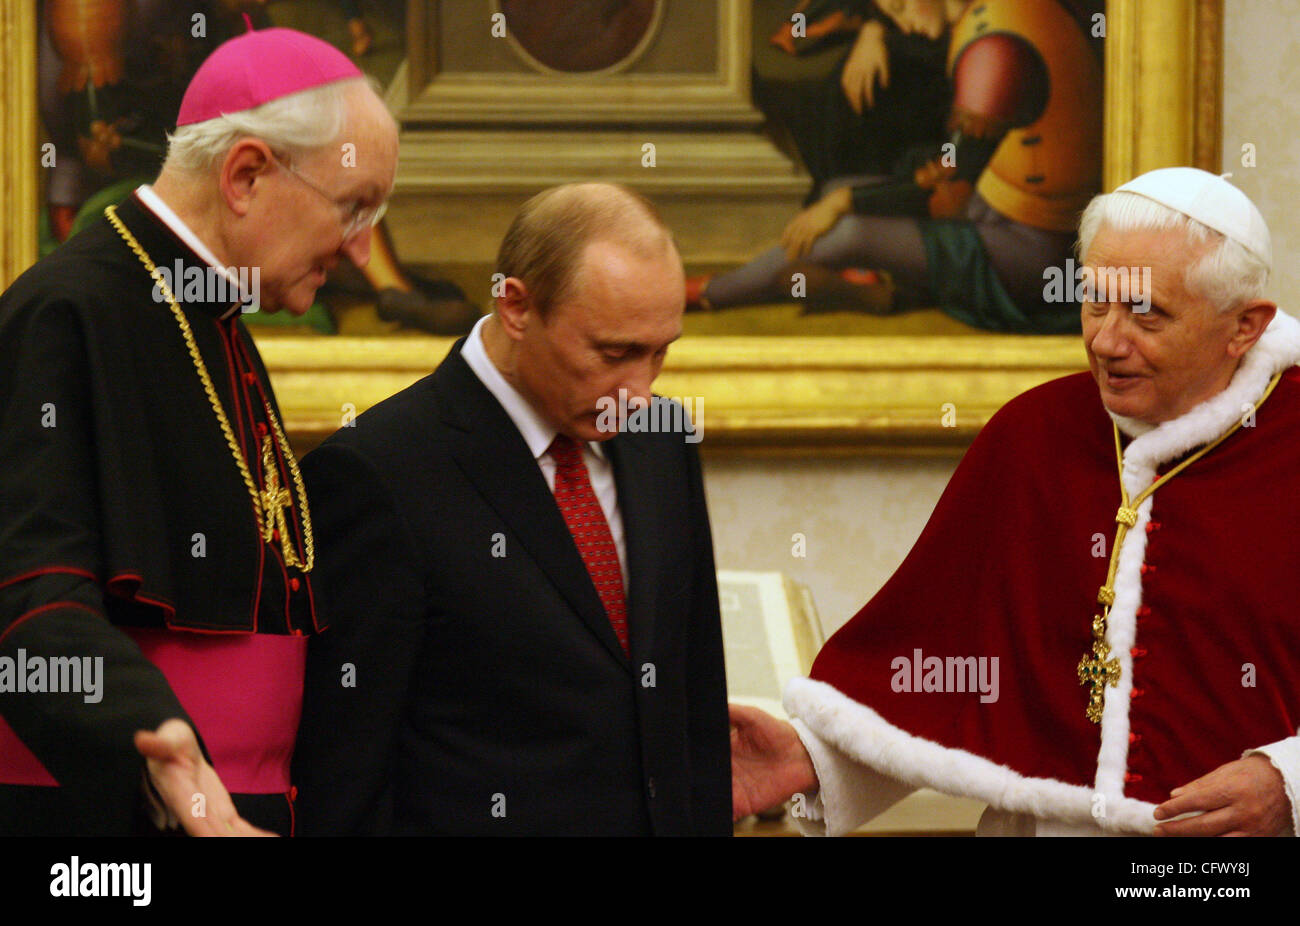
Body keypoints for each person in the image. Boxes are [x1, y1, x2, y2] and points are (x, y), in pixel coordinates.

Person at [731, 167, 1300, 837]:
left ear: (1243, 327)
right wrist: (811, 755)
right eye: (1094, 302)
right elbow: (948, 668)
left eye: (1146, 313)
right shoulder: (1032, 434)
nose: (1106, 342)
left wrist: (1288, 783)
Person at [0, 26, 398, 835]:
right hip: (106, 820)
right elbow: (31, 605)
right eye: (353, 207)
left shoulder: (214, 317)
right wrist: (155, 749)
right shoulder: (65, 311)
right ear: (247, 173)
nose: (363, 248)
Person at [292, 183, 732, 835]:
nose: (640, 391)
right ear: (518, 306)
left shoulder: (662, 439)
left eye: (660, 351)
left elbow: (694, 702)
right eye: (614, 353)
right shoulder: (377, 474)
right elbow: (346, 776)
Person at [691, 0, 1104, 333]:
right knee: (841, 185)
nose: (902, 26)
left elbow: (945, 192)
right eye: (891, 14)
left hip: (1040, 255)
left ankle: (705, 293)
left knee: (844, 227)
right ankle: (886, 291)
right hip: (1002, 206)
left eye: (903, 6)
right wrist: (874, 29)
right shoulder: (988, 14)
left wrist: (842, 204)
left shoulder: (994, 51)